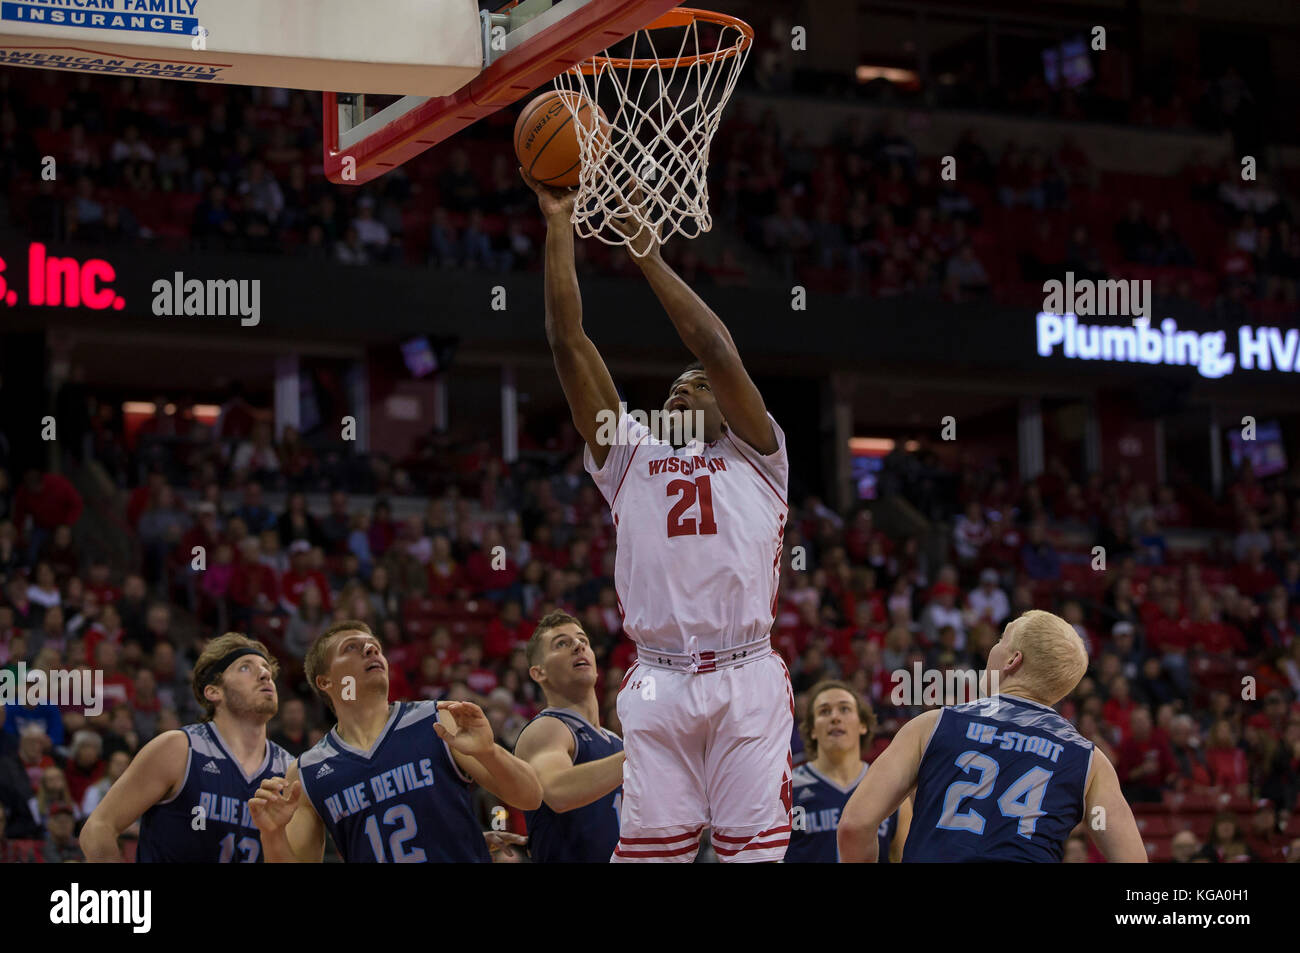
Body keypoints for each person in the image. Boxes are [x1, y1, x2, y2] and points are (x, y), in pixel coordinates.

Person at [523, 169, 794, 863]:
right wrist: (559, 225)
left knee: (755, 857)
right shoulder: (629, 456)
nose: (682, 391)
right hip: (658, 678)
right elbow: (567, 344)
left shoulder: (759, 454)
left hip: (748, 675)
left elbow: (717, 349)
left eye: (696, 388)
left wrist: (646, 252)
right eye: (672, 388)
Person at [838, 610, 1147, 862]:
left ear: (1013, 660)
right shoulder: (1090, 761)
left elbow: (855, 825)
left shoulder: (932, 725)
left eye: (1002, 640)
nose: (994, 647)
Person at [247, 620, 542, 862]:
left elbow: (530, 797)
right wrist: (272, 835)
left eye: (374, 646)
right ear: (326, 682)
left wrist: (490, 752)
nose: (370, 649)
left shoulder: (437, 719)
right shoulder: (308, 771)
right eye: (351, 647)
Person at [79, 633, 292, 862]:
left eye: (265, 669)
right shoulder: (179, 749)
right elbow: (98, 829)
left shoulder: (289, 770)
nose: (264, 674)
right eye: (245, 668)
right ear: (213, 691)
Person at [514, 611, 625, 862]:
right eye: (561, 644)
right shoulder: (548, 728)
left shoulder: (615, 741)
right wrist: (642, 752)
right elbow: (558, 792)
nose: (578, 646)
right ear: (538, 672)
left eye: (582, 640)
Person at [785, 680, 910, 863]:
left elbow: (907, 856)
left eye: (844, 709)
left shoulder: (891, 789)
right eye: (824, 711)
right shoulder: (787, 789)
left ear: (863, 724)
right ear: (812, 729)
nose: (835, 718)